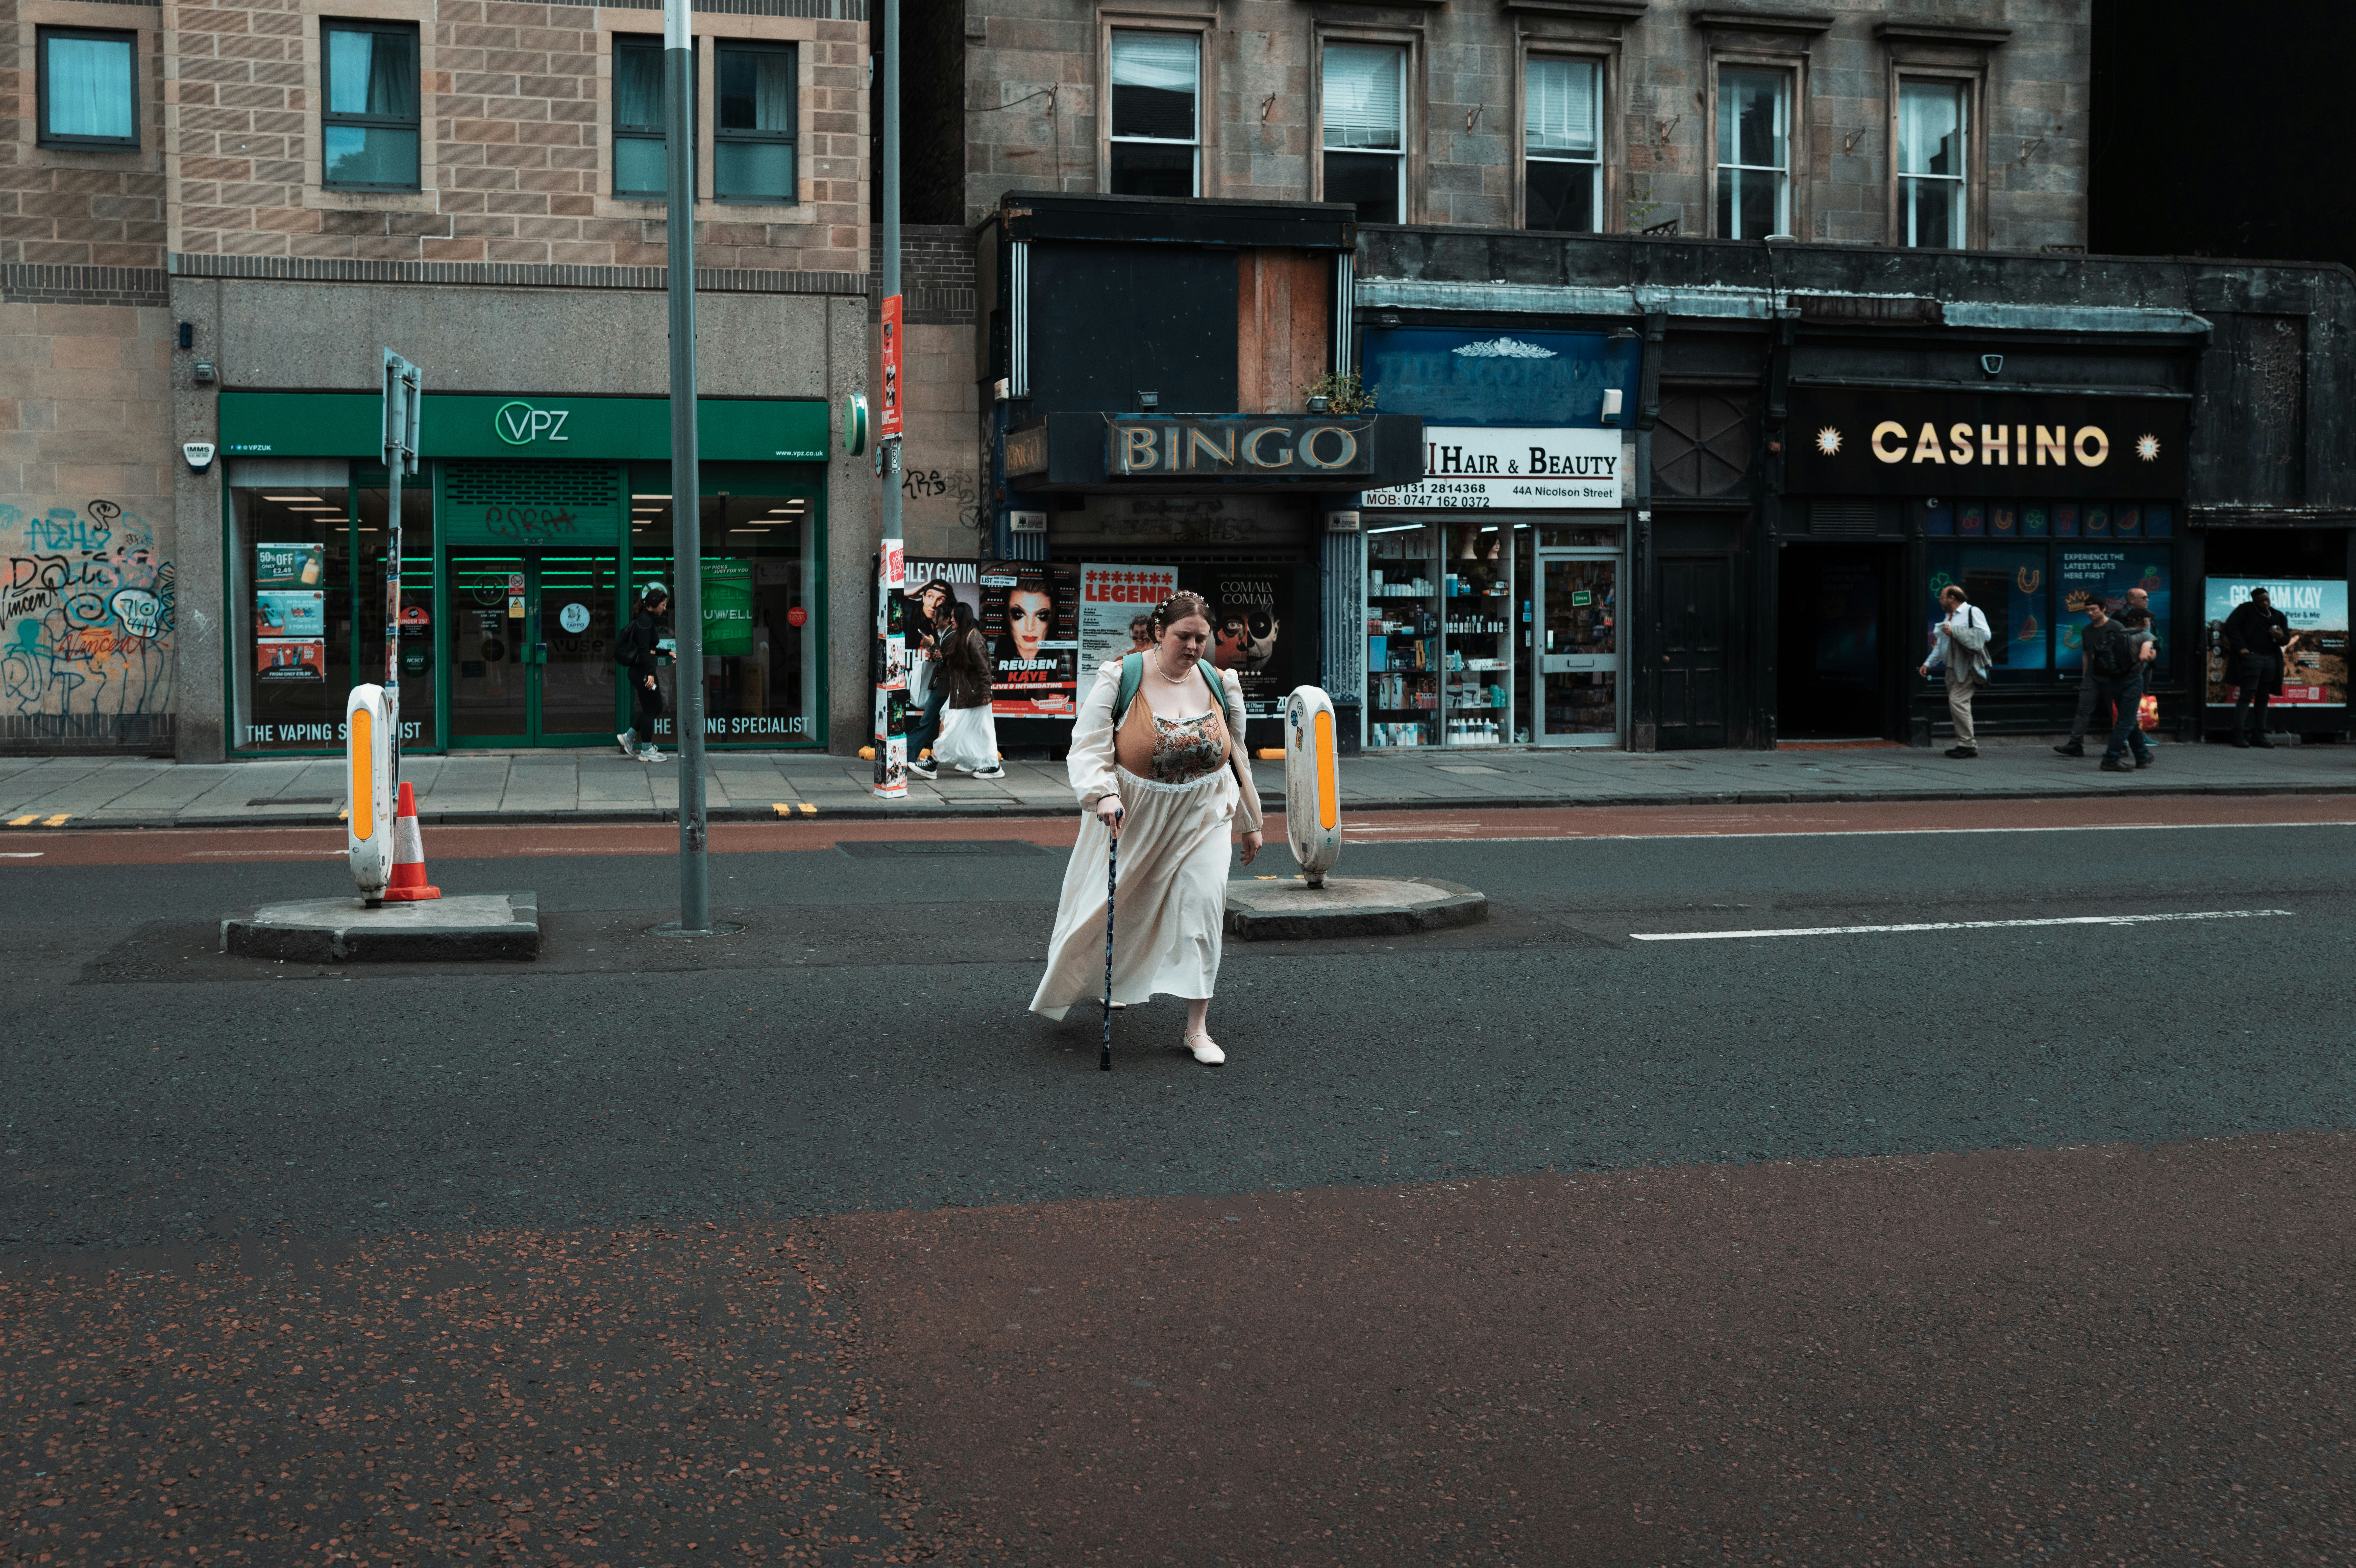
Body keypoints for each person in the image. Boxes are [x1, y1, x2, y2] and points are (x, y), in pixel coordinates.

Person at [1030, 591, 1264, 1065]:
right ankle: (1105, 980)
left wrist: (1249, 823)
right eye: (1184, 637)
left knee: (1203, 907)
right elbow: (1089, 745)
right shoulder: (1123, 677)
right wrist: (1104, 793)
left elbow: (1236, 755)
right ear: (1160, 633)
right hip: (1136, 813)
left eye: (1202, 638)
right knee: (1117, 908)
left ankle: (1197, 1028)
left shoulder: (1222, 683)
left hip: (1204, 813)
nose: (1194, 647)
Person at [2056, 593, 2157, 757]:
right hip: (2093, 677)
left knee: (2117, 713)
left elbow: (2127, 651)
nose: (2090, 613)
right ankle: (2075, 744)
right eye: (2087, 610)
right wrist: (2085, 676)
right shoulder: (2087, 631)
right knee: (2083, 709)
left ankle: (2122, 746)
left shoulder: (2116, 627)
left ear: (2104, 609)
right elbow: (2086, 654)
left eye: (2093, 610)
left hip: (2113, 678)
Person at [931, 599, 1006, 780]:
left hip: (975, 697)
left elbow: (984, 668)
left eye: (954, 618)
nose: (951, 621)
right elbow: (953, 660)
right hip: (967, 696)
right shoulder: (964, 638)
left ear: (961, 618)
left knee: (957, 729)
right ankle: (985, 764)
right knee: (979, 732)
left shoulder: (974, 639)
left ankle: (933, 761)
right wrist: (936, 649)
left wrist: (987, 693)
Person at [2080, 598, 2154, 772]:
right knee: (2125, 721)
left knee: (2129, 719)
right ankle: (2111, 758)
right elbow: (2144, 657)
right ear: (2144, 621)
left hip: (2114, 680)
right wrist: (2151, 655)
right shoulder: (2146, 636)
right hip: (2133, 680)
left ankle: (2142, 756)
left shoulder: (2119, 633)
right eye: (2148, 619)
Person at [1918, 584, 1990, 759]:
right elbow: (1942, 644)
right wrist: (1929, 663)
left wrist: (1956, 631)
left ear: (1952, 598)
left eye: (1943, 597)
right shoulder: (1948, 617)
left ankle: (1966, 745)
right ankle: (1968, 744)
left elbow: (1986, 636)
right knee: (1959, 705)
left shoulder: (1973, 612)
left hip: (1967, 668)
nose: (1940, 600)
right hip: (1951, 670)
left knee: (1958, 703)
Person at [2222, 587, 2291, 747]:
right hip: (2252, 658)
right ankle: (2239, 735)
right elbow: (2231, 626)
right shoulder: (2246, 610)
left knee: (2264, 698)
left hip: (2271, 660)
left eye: (2267, 600)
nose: (2265, 603)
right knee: (2247, 695)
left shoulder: (2278, 616)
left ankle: (2260, 735)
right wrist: (2242, 647)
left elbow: (2286, 639)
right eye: (2261, 601)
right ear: (2254, 601)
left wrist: (2281, 637)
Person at [904, 582, 957, 781]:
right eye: (930, 597)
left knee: (933, 722)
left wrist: (934, 647)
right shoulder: (943, 633)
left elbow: (949, 659)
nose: (934, 613)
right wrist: (934, 650)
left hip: (947, 687)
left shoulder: (951, 635)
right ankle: (911, 757)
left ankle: (920, 760)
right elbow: (942, 658)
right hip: (943, 686)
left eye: (939, 615)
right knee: (930, 722)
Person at [615, 584, 669, 762]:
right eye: (663, 604)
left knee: (656, 707)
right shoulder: (645, 621)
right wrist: (651, 673)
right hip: (643, 672)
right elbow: (645, 651)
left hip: (642, 671)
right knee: (652, 708)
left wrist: (668, 652)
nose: (665, 608)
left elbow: (650, 649)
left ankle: (630, 737)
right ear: (654, 603)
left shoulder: (646, 619)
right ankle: (646, 750)